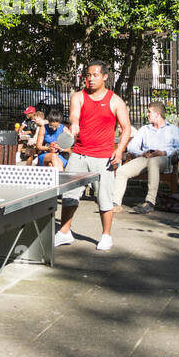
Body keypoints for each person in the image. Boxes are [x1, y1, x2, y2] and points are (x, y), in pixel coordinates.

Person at [54, 61, 131, 253]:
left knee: (104, 198)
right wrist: (75, 123)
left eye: (95, 75)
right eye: (88, 75)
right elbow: (74, 115)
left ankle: (106, 236)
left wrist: (120, 149)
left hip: (103, 157)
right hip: (79, 154)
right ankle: (64, 231)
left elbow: (126, 128)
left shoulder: (115, 101)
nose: (91, 78)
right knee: (70, 195)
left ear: (105, 77)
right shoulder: (78, 96)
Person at [113, 102, 179, 213]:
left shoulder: (172, 129)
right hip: (145, 158)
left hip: (164, 159)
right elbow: (131, 146)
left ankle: (150, 202)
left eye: (149, 112)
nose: (147, 114)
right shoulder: (145, 129)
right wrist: (143, 152)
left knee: (153, 162)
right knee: (122, 171)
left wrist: (163, 152)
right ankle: (115, 203)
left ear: (157, 114)